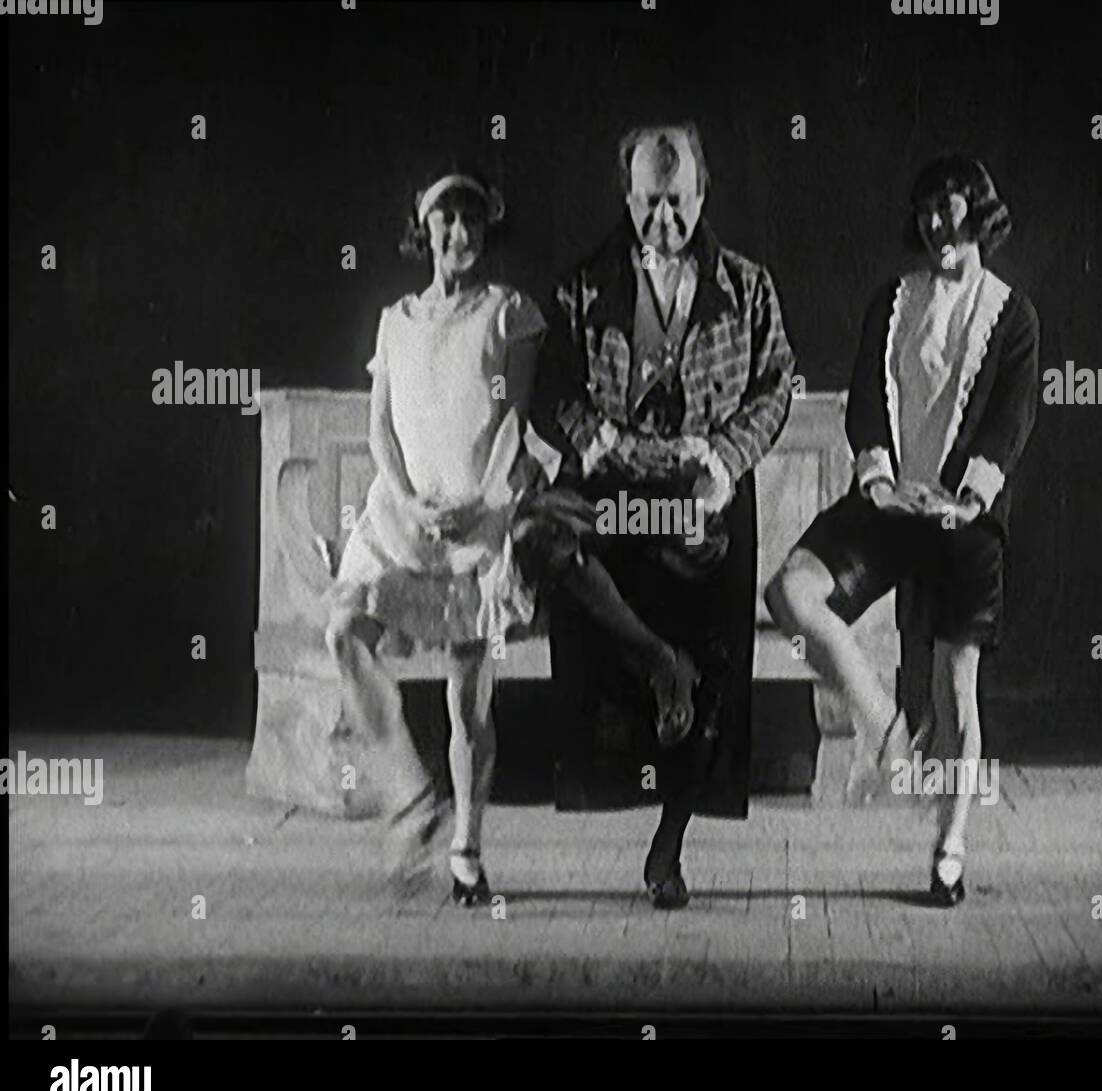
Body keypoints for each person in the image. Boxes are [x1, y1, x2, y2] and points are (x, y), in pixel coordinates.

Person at [518, 123, 796, 910]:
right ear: (627, 196)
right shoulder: (581, 287)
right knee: (539, 536)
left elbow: (777, 385)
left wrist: (726, 459)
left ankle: (668, 848)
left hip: (698, 504)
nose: (664, 220)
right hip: (613, 493)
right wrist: (591, 435)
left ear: (701, 194)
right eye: (648, 203)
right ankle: (653, 657)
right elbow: (550, 390)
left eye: (677, 202)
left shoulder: (748, 287)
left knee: (713, 663)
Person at [765, 155, 1039, 907]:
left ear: (980, 217)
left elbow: (1010, 425)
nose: (937, 228)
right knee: (791, 590)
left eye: (951, 214)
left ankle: (949, 849)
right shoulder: (892, 297)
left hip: (963, 517)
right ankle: (883, 722)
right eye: (926, 214)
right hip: (891, 503)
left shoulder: (1013, 317)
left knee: (956, 688)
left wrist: (964, 499)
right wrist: (882, 483)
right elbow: (865, 397)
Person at [325, 164, 547, 905]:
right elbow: (379, 426)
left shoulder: (510, 312)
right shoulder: (396, 320)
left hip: (475, 518)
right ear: (422, 228)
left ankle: (466, 850)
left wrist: (486, 499)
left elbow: (515, 415)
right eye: (446, 219)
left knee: (469, 699)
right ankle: (413, 798)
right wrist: (405, 497)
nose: (460, 233)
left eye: (473, 219)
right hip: (404, 512)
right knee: (342, 631)